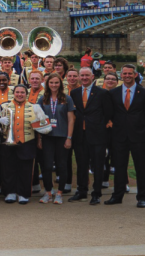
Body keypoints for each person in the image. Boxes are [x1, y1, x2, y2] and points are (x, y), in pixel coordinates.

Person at [104, 64, 145, 207]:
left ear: (135, 75)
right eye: (125, 73)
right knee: (119, 167)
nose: (127, 76)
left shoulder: (143, 92)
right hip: (119, 136)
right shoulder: (113, 93)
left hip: (139, 136)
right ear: (121, 75)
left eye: (130, 73)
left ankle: (142, 197)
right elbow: (109, 113)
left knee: (141, 167)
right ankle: (117, 196)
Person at [71, 67, 108, 204]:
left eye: (87, 75)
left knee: (98, 165)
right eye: (82, 75)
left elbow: (107, 113)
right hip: (80, 134)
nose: (85, 78)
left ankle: (96, 194)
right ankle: (81, 191)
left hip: (97, 135)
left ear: (92, 76)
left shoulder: (102, 93)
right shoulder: (74, 93)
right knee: (81, 165)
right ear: (79, 77)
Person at [37, 73, 75, 204]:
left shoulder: (67, 99)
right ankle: (48, 192)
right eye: (51, 83)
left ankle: (59, 193)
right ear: (47, 84)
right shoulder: (42, 99)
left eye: (56, 83)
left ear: (60, 84)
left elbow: (71, 119)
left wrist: (69, 137)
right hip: (47, 137)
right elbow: (38, 120)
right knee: (47, 166)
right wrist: (39, 139)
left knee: (62, 165)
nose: (54, 85)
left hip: (62, 136)